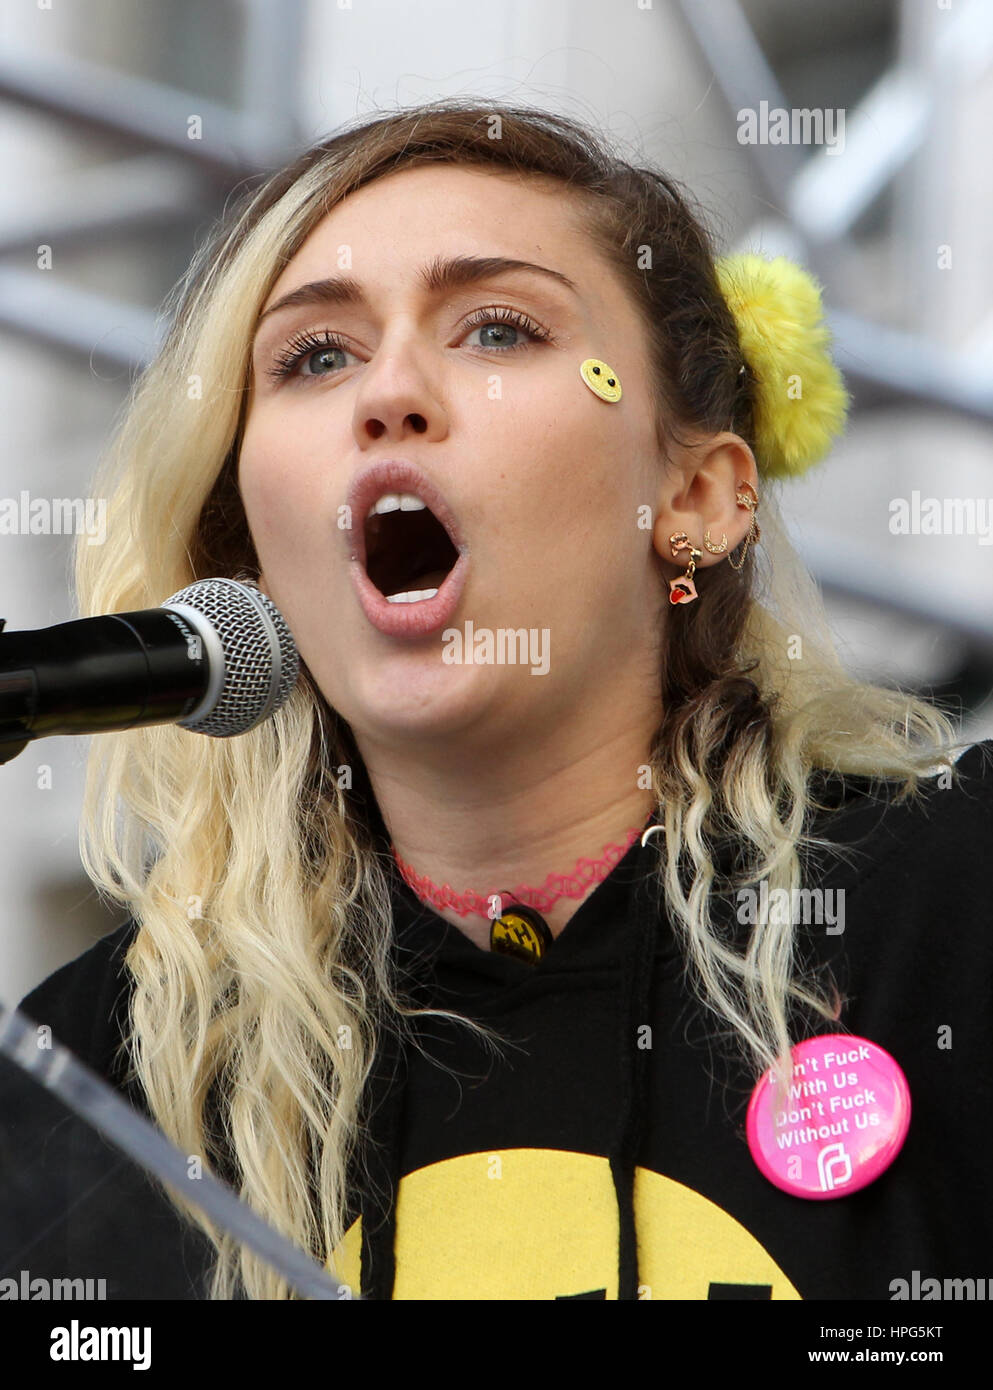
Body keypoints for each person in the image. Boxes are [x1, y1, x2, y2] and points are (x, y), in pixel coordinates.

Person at [2, 98, 991, 1302]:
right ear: (249, 552)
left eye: (497, 329)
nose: (390, 393)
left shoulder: (949, 911)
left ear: (697, 496)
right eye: (316, 354)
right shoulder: (112, 1077)